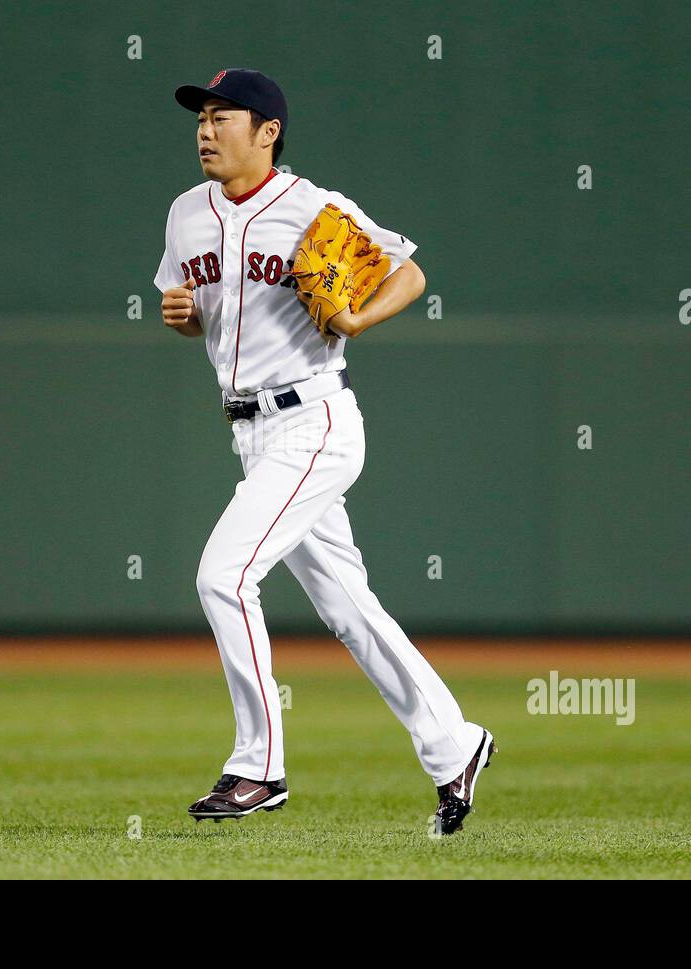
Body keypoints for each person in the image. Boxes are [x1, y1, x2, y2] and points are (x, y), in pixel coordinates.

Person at [153, 68, 495, 834]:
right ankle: (455, 744)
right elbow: (191, 314)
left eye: (221, 117)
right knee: (347, 608)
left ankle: (257, 765)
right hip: (250, 431)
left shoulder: (314, 208)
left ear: (267, 131)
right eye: (199, 118)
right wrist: (180, 313)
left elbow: (408, 270)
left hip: (314, 422)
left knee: (222, 575)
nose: (205, 131)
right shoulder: (185, 214)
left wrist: (362, 316)